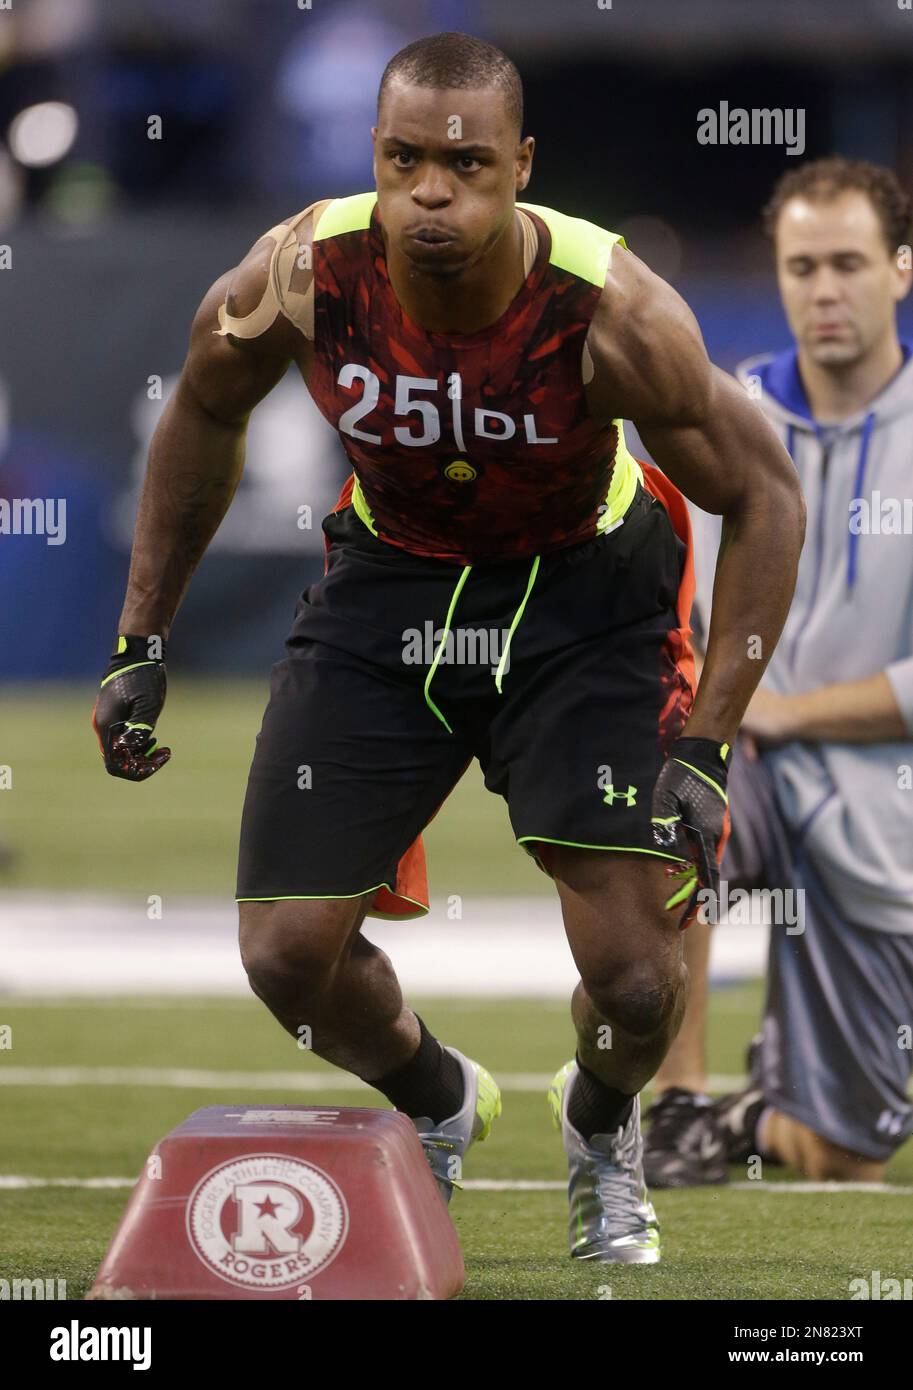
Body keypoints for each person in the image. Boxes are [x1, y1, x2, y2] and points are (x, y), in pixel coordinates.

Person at [92, 32, 803, 1263]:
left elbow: (768, 494)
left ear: (518, 166)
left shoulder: (609, 308)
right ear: (374, 153)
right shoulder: (305, 272)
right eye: (405, 158)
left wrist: (707, 740)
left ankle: (597, 1129)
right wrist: (138, 637)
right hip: (389, 586)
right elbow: (204, 404)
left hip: (587, 601)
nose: (431, 191)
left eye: (465, 165)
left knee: (637, 982)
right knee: (283, 958)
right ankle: (439, 1098)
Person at [644, 157, 913, 1188]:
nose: (823, 289)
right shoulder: (714, 415)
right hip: (733, 760)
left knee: (846, 1154)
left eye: (848, 262)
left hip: (879, 805)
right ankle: (672, 1103)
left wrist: (786, 714)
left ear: (900, 270)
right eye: (801, 265)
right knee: (655, 820)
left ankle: (753, 1115)